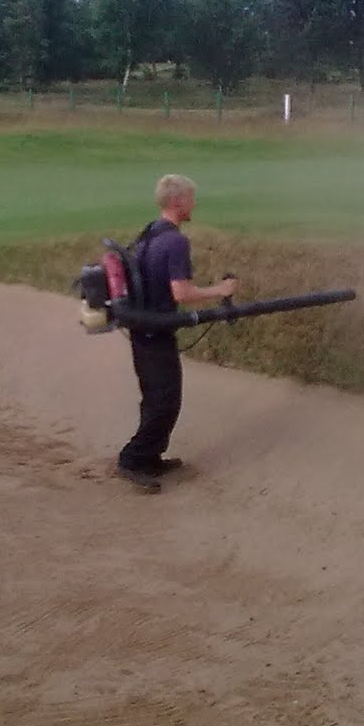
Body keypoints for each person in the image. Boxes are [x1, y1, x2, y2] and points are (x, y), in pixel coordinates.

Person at [116, 174, 238, 493]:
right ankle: (132, 458)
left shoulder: (149, 233)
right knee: (166, 400)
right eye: (191, 198)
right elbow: (181, 293)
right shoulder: (176, 242)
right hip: (155, 332)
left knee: (157, 397)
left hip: (144, 330)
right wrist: (220, 290)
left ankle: (150, 456)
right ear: (177, 202)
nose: (194, 204)